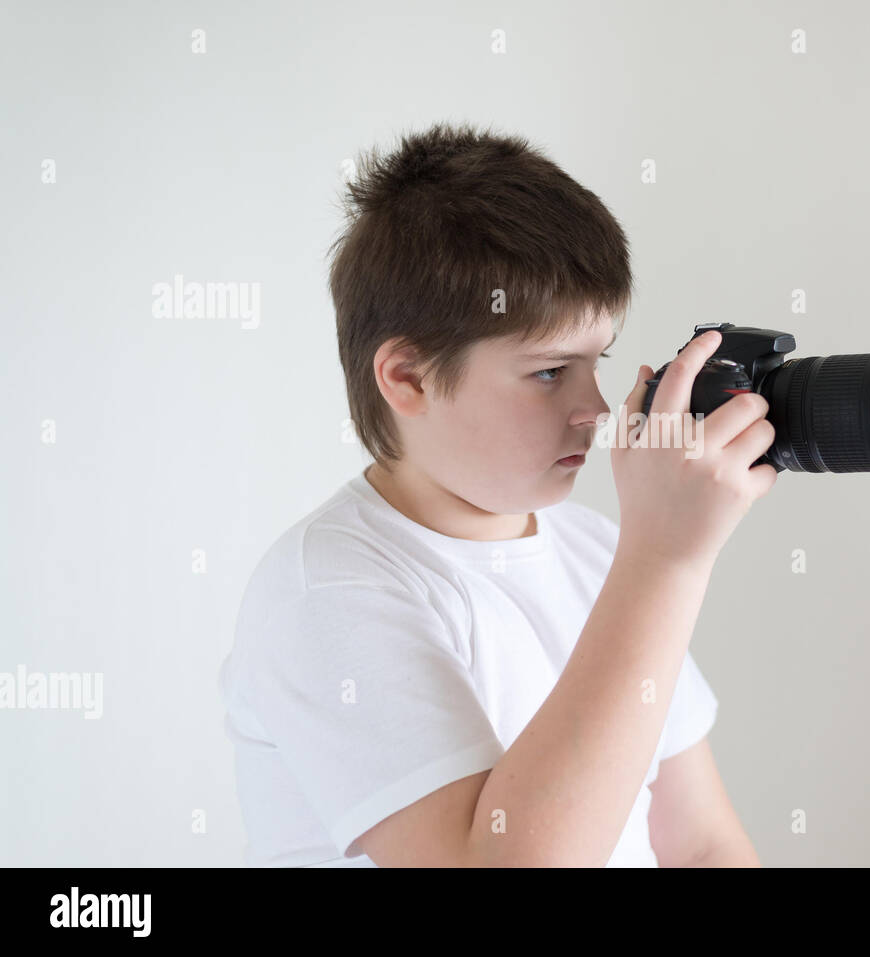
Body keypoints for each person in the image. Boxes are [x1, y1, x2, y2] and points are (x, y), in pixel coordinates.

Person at [216, 121, 778, 866]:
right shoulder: (325, 590)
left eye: (595, 361)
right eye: (549, 371)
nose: (598, 410)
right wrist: (667, 561)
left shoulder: (599, 549)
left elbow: (701, 842)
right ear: (408, 378)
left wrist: (654, 559)